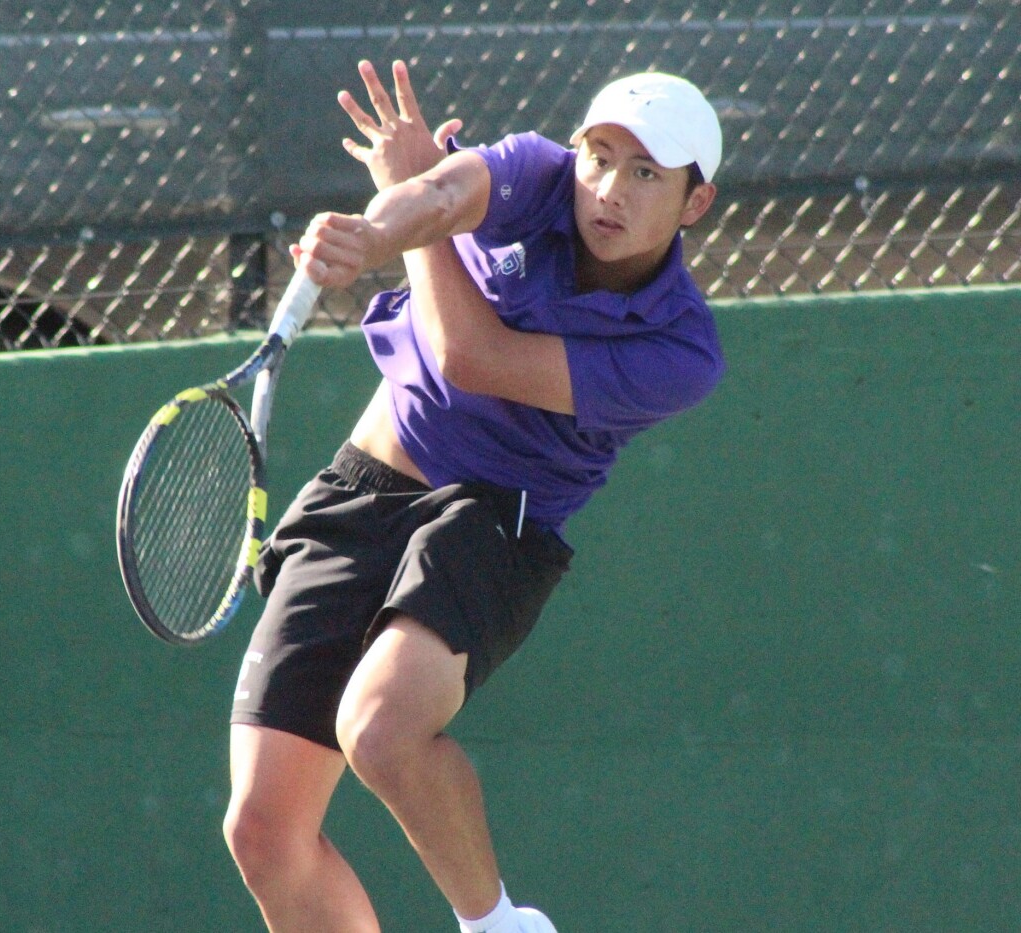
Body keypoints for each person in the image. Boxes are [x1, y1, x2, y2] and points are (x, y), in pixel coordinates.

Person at [223, 58, 724, 933]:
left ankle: (498, 925)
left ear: (694, 203)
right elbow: (442, 197)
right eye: (599, 157)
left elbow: (473, 358)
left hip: (492, 522)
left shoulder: (680, 351)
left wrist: (402, 226)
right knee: (263, 831)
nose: (609, 188)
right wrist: (374, 226)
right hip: (359, 491)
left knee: (378, 731)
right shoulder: (538, 172)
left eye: (646, 173)